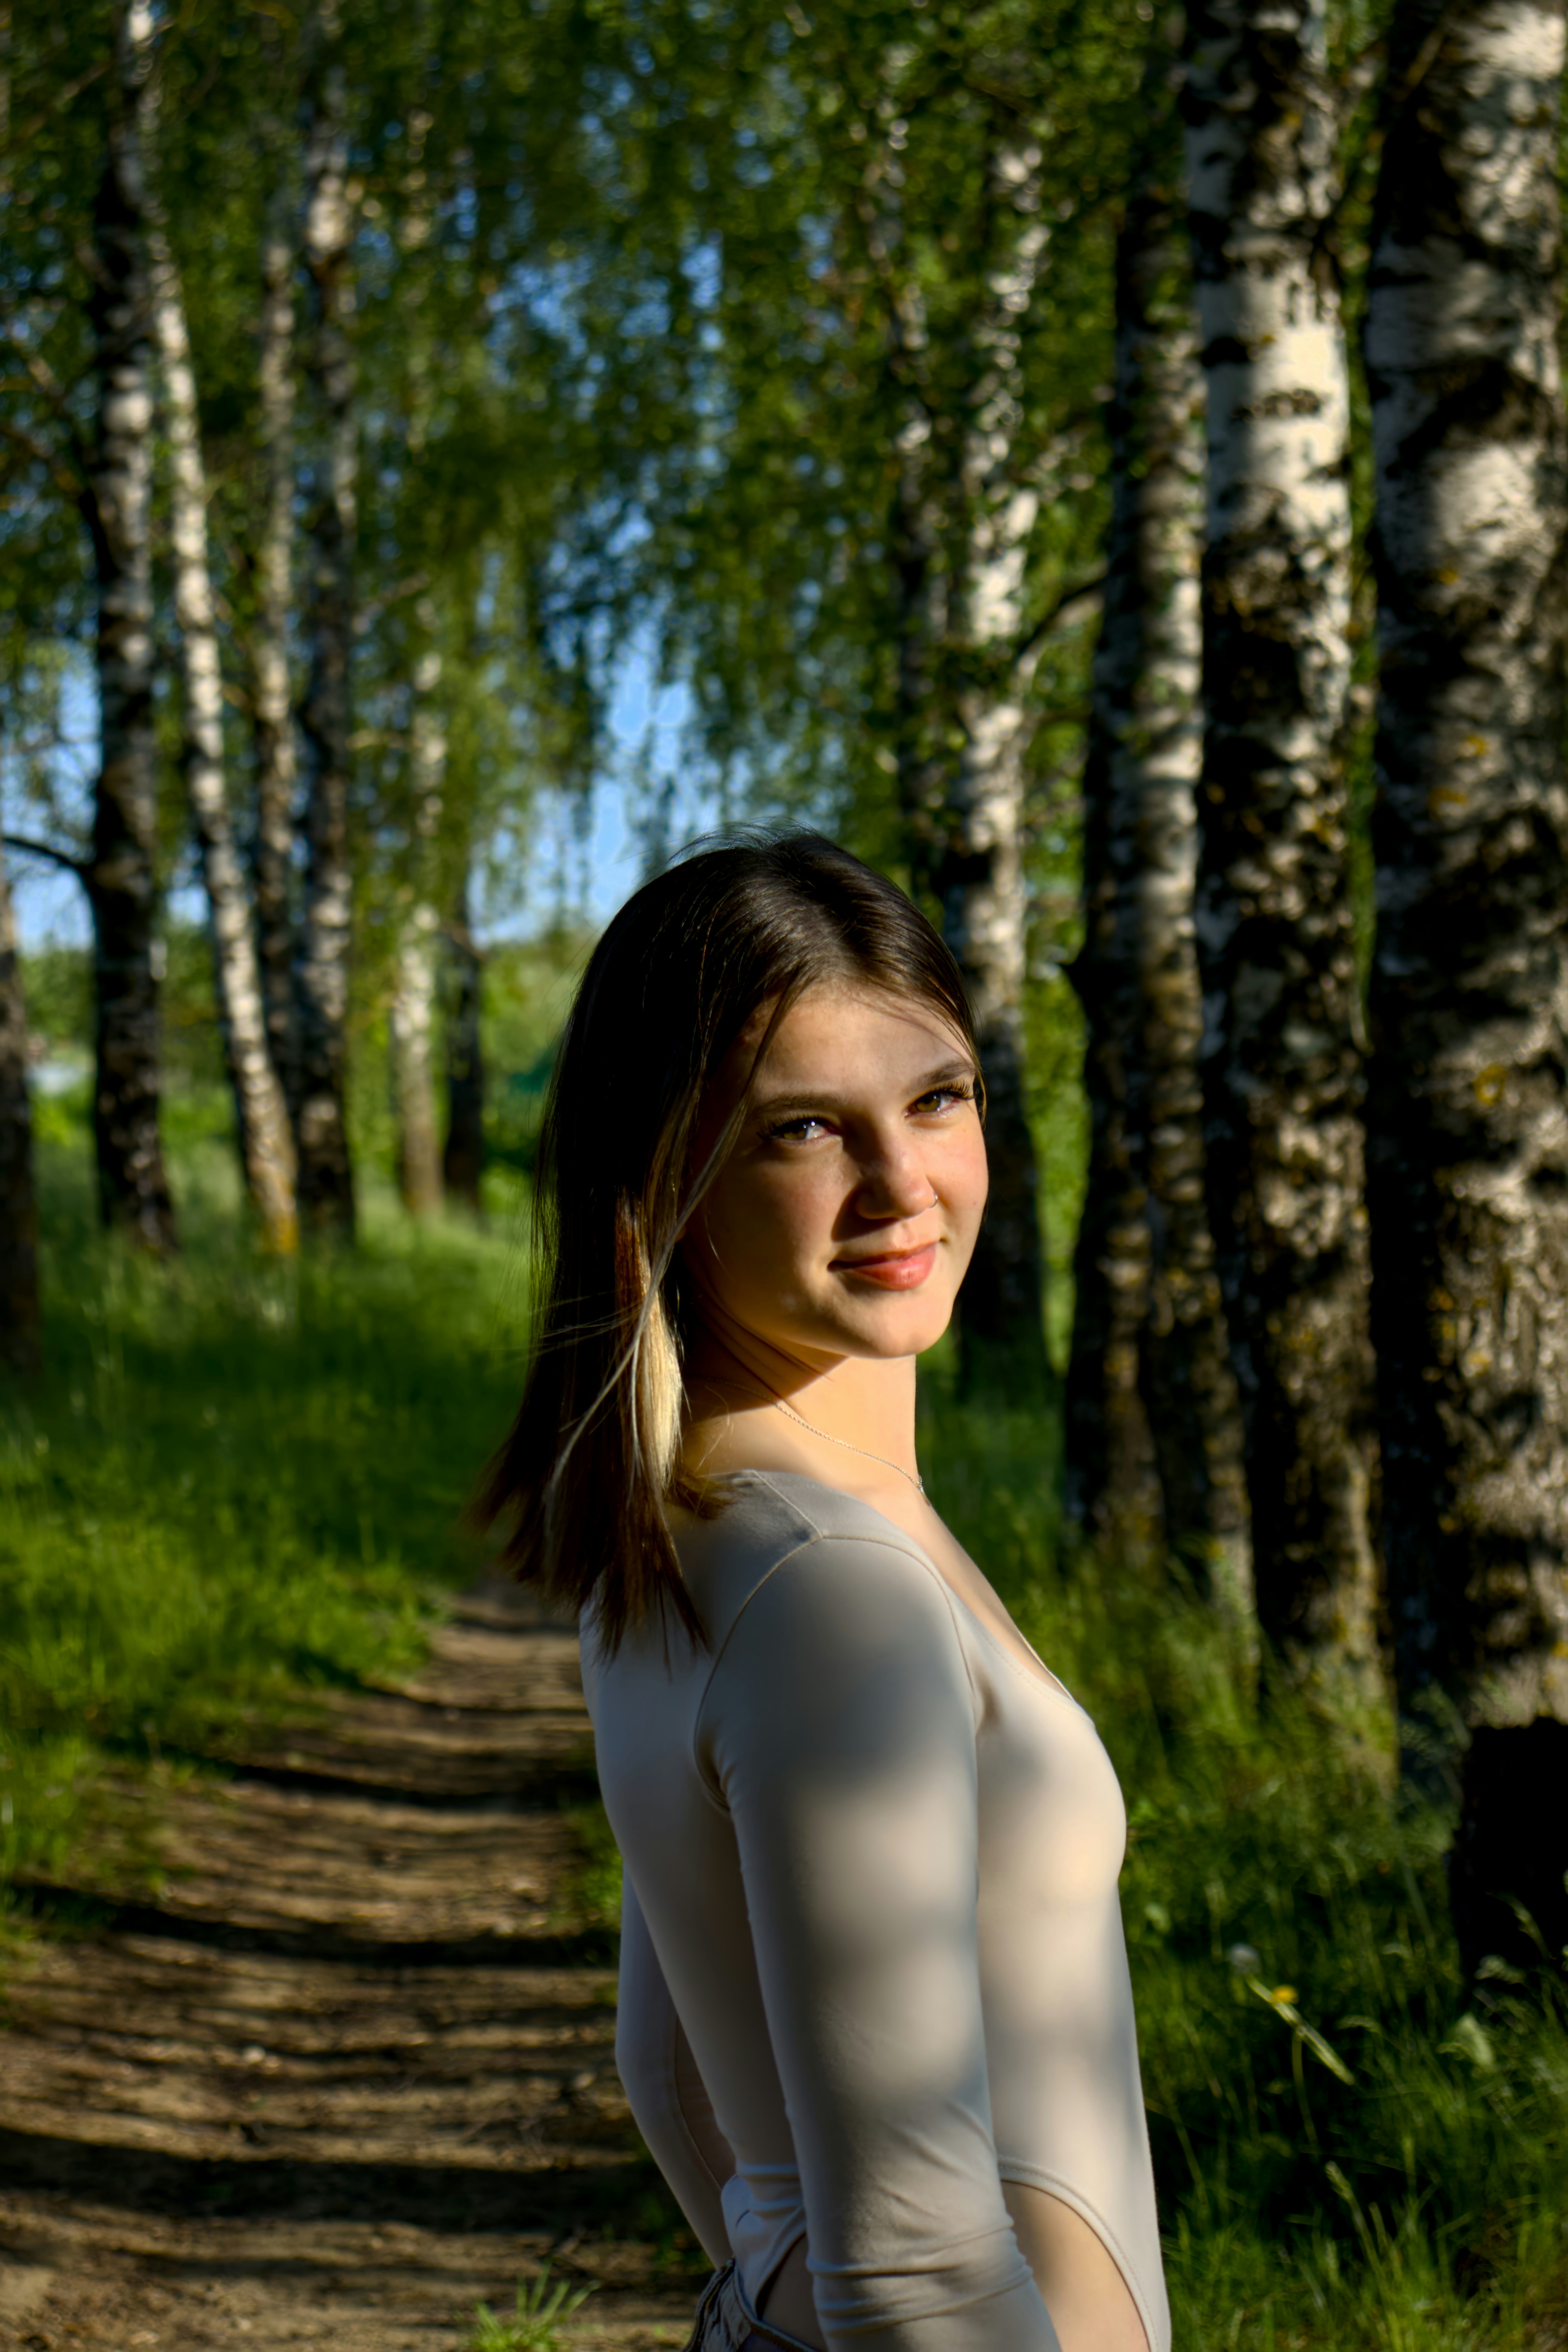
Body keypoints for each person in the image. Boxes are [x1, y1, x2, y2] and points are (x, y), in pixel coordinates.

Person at [482, 835, 1170, 2352]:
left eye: (935, 1096)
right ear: (667, 1172)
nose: (899, 1182)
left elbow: (668, 2069)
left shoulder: (683, 1527)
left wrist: (776, 2294)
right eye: (802, 1130)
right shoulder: (830, 1594)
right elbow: (916, 2277)